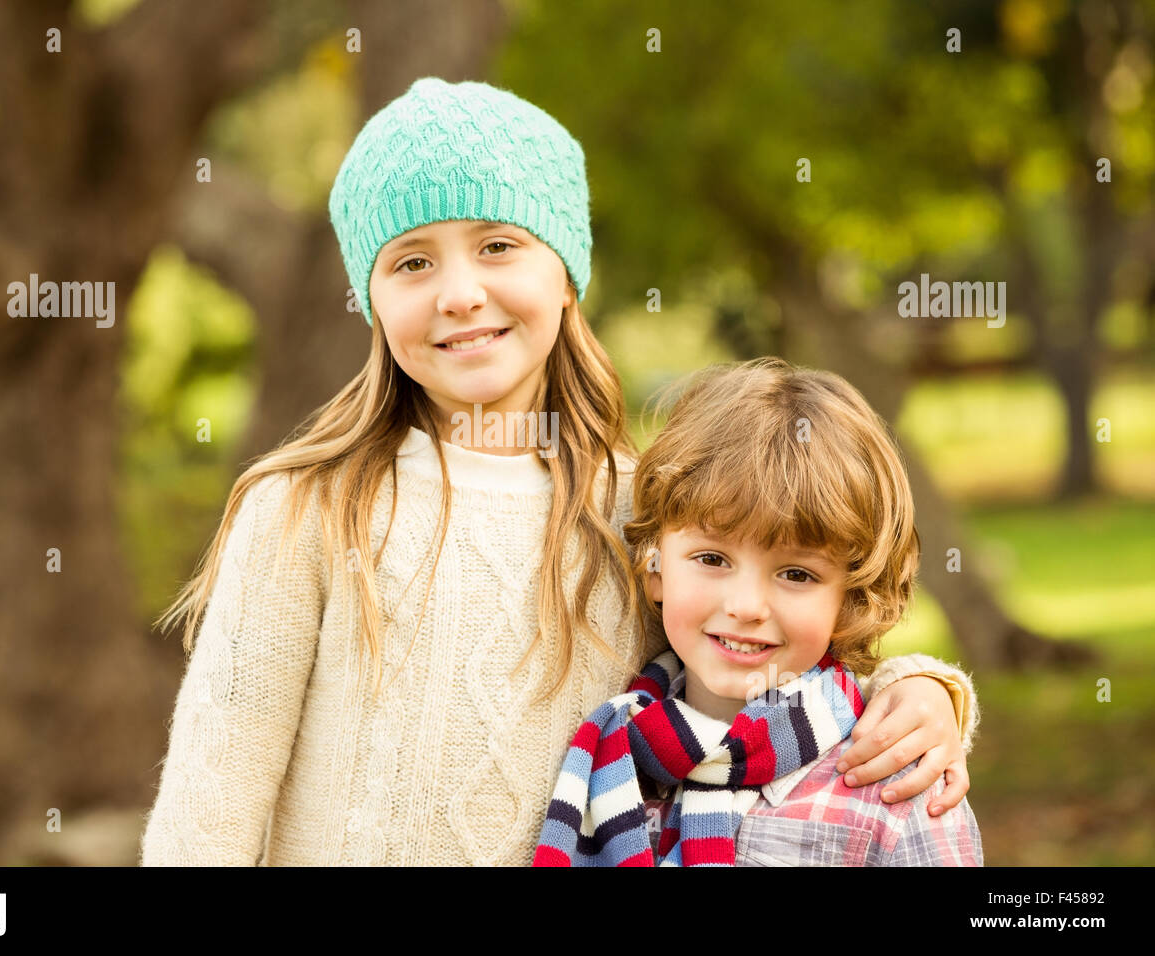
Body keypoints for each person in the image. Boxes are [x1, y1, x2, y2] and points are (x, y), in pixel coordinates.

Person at [140, 78, 977, 866]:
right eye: (412, 261)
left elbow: (757, 665)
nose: (460, 293)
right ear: (371, 299)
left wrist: (927, 691)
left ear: (567, 273)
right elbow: (209, 806)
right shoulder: (307, 510)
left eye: (498, 245)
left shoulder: (645, 504)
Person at [533, 358, 983, 866]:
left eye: (796, 574)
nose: (746, 607)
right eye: (711, 559)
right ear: (653, 566)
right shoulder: (611, 764)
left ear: (850, 597)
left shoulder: (896, 791)